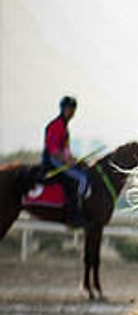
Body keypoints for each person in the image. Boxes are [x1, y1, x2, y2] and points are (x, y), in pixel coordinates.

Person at [43, 95, 88, 227]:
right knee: (79, 179)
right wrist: (67, 161)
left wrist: (75, 160)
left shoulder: (65, 127)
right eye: (69, 109)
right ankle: (74, 214)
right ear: (63, 109)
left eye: (74, 109)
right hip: (52, 162)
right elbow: (54, 151)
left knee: (83, 172)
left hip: (60, 160)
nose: (72, 112)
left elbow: (66, 150)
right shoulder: (56, 126)